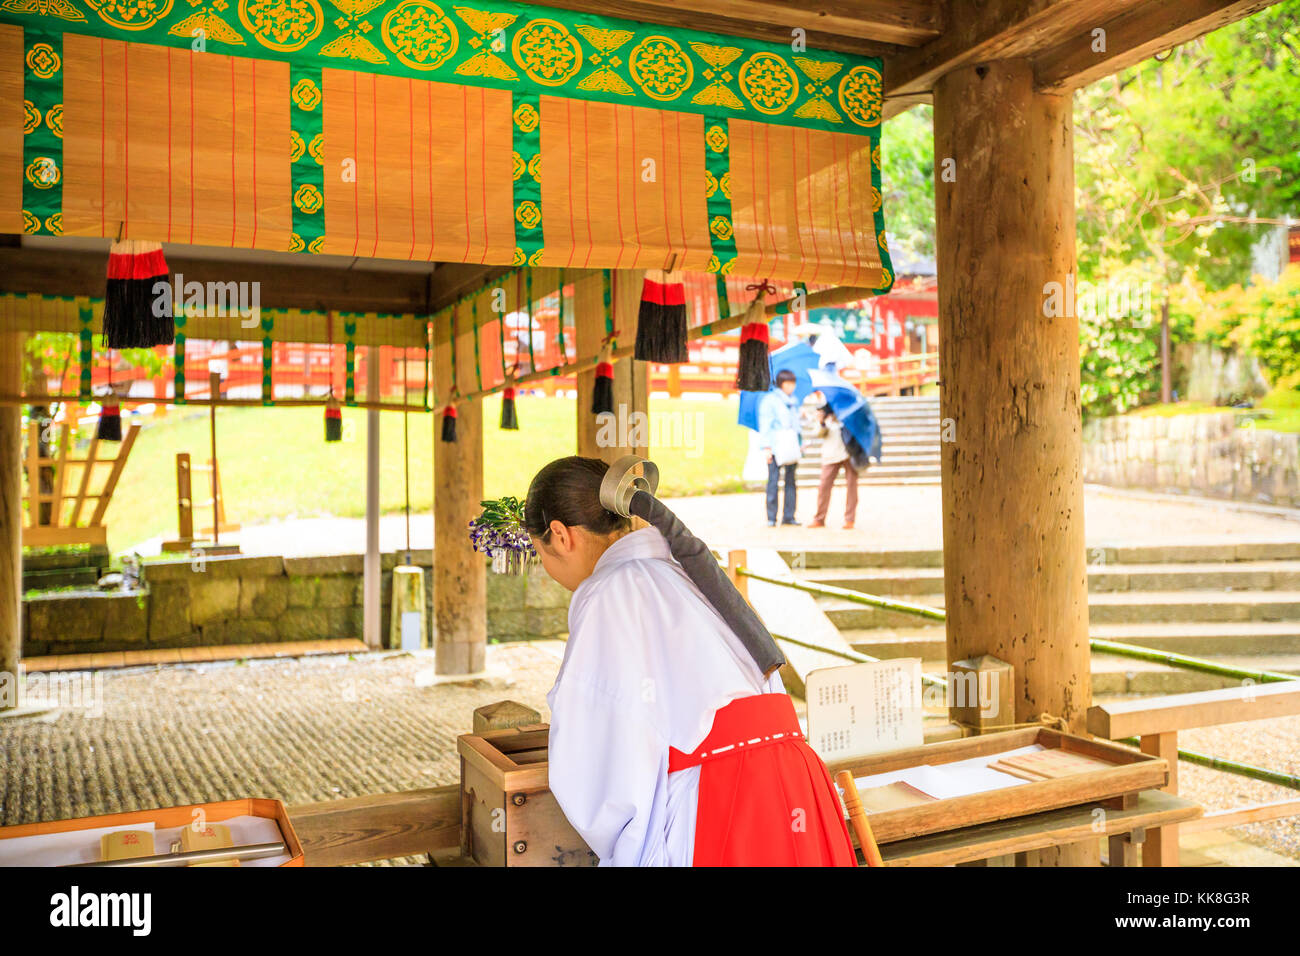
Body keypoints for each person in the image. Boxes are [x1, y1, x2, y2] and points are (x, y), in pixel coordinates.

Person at [524, 456, 856, 867]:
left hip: (726, 797)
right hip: (793, 778)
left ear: (559, 535)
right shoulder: (685, 574)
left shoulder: (611, 591)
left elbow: (602, 744)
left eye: (539, 553)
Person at [758, 369, 802, 527]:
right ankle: (771, 517)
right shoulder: (770, 400)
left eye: (793, 383)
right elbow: (765, 424)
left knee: (791, 481)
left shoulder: (794, 401)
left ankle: (789, 516)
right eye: (788, 383)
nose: (791, 387)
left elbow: (796, 426)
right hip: (775, 445)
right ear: (781, 384)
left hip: (791, 445)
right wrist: (766, 447)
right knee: (773, 481)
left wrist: (800, 442)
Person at [809, 405, 859, 530]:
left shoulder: (850, 410)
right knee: (824, 486)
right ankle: (819, 518)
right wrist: (822, 421)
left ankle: (850, 519)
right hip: (830, 454)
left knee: (852, 486)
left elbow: (858, 430)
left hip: (849, 453)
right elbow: (818, 433)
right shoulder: (824, 412)